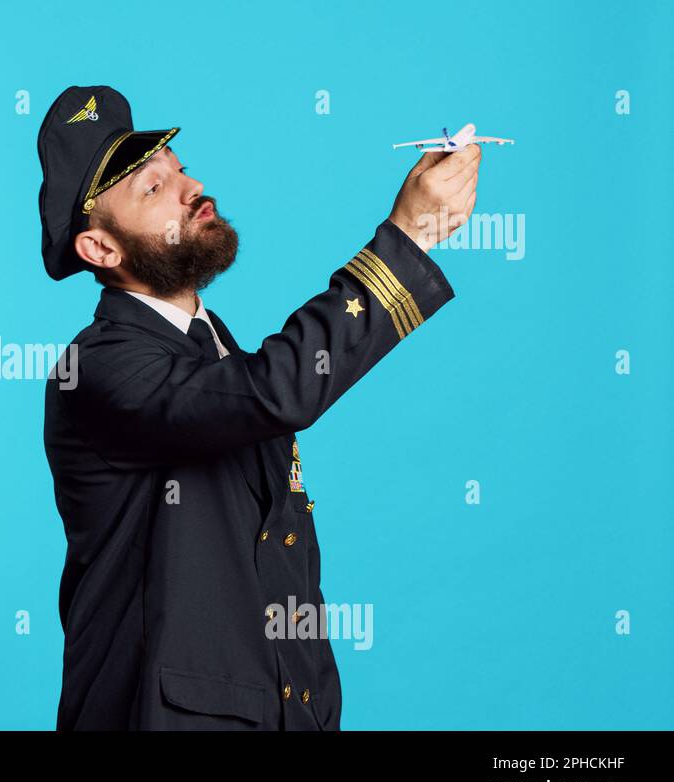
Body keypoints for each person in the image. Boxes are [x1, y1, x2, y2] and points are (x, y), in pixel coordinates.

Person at [36, 85, 479, 730]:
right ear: (101, 249)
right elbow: (279, 389)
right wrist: (409, 240)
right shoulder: (97, 367)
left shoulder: (217, 350)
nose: (191, 188)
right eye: (151, 190)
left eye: (178, 169)